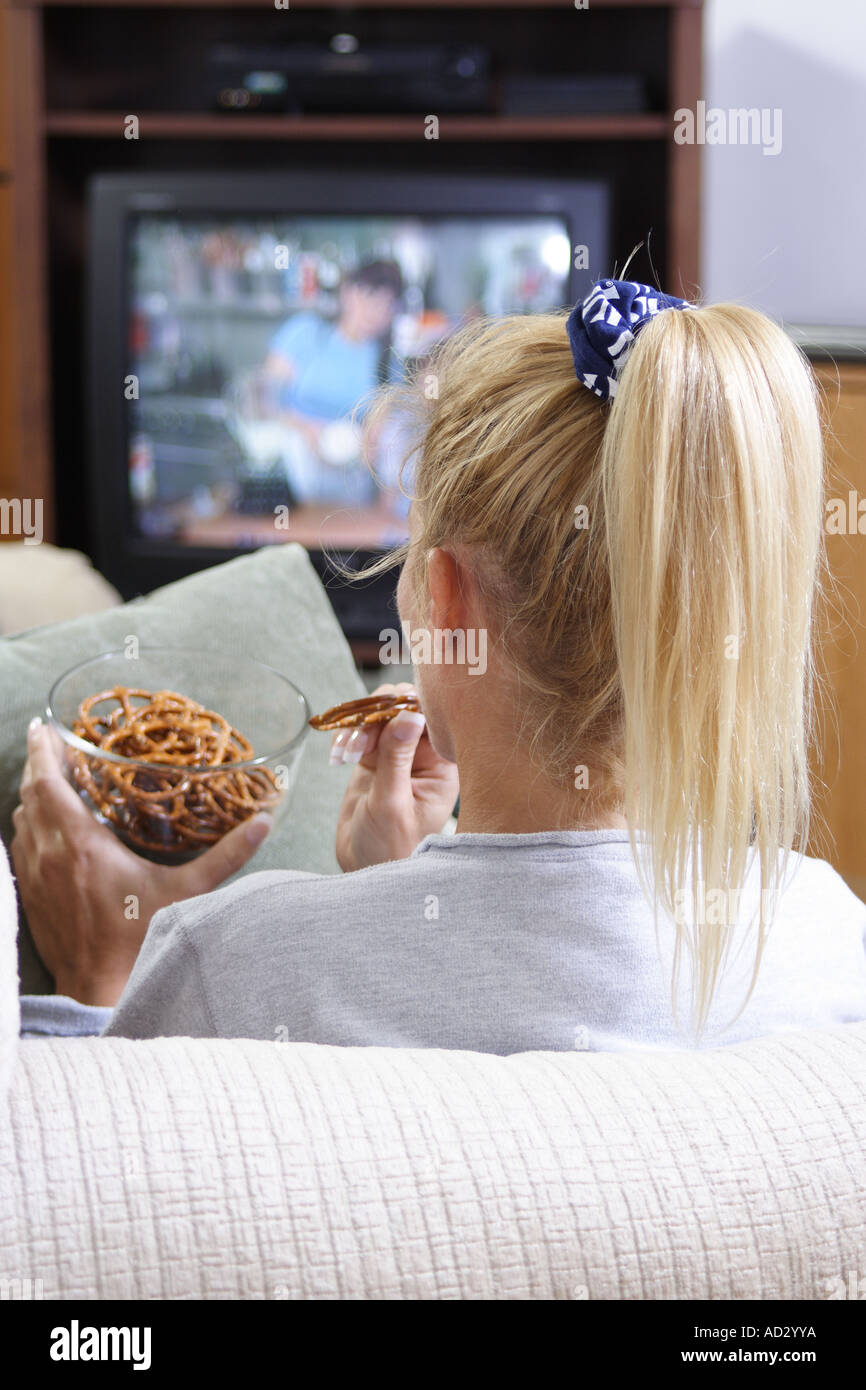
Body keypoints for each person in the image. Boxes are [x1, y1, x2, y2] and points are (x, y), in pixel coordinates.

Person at [13, 279, 866, 1051]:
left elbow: (120, 1156)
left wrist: (99, 978)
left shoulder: (233, 964)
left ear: (446, 596)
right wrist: (399, 895)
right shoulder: (832, 937)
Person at [260, 259, 404, 506]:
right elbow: (263, 398)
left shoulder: (387, 360)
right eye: (370, 297)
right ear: (347, 293)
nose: (376, 312)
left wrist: (367, 446)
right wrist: (307, 430)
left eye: (387, 304)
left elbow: (379, 425)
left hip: (349, 473)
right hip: (291, 462)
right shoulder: (305, 333)